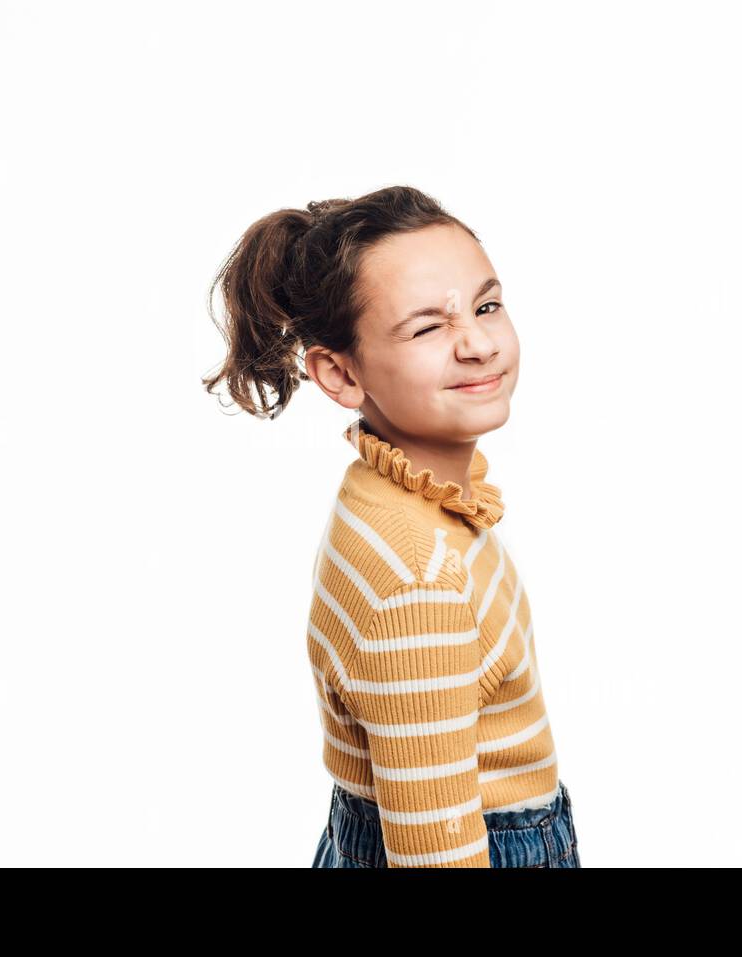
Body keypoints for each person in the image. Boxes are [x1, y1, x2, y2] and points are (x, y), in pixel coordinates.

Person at [202, 185, 581, 868]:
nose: (476, 342)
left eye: (487, 305)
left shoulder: (398, 502)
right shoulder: (418, 575)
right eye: (427, 327)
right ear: (340, 373)